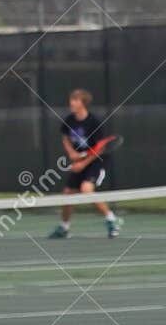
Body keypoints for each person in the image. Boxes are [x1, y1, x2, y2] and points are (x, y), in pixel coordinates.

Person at [50, 89, 120, 238]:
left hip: (96, 160)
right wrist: (71, 153)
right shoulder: (69, 120)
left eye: (75, 100)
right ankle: (64, 227)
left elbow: (99, 149)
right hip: (80, 159)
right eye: (71, 100)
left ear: (83, 104)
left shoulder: (94, 122)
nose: (72, 103)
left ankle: (111, 219)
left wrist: (83, 163)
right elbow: (65, 137)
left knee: (86, 189)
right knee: (67, 194)